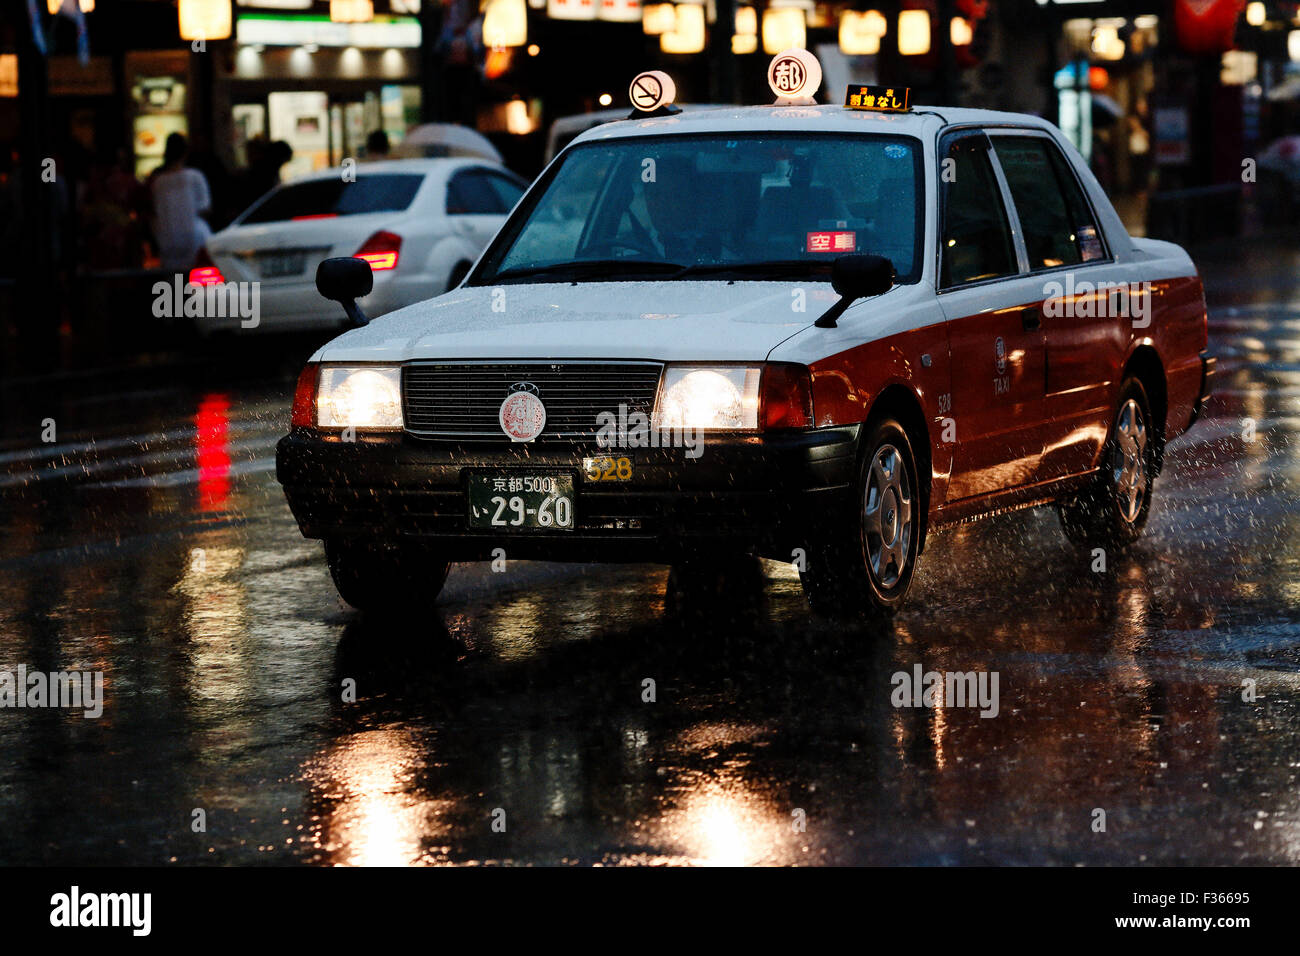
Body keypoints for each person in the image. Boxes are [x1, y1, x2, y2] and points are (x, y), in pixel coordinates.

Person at [149, 133, 211, 273]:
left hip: (168, 243)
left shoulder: (158, 182)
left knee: (173, 288)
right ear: (185, 152)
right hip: (195, 241)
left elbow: (154, 214)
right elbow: (205, 208)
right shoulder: (195, 177)